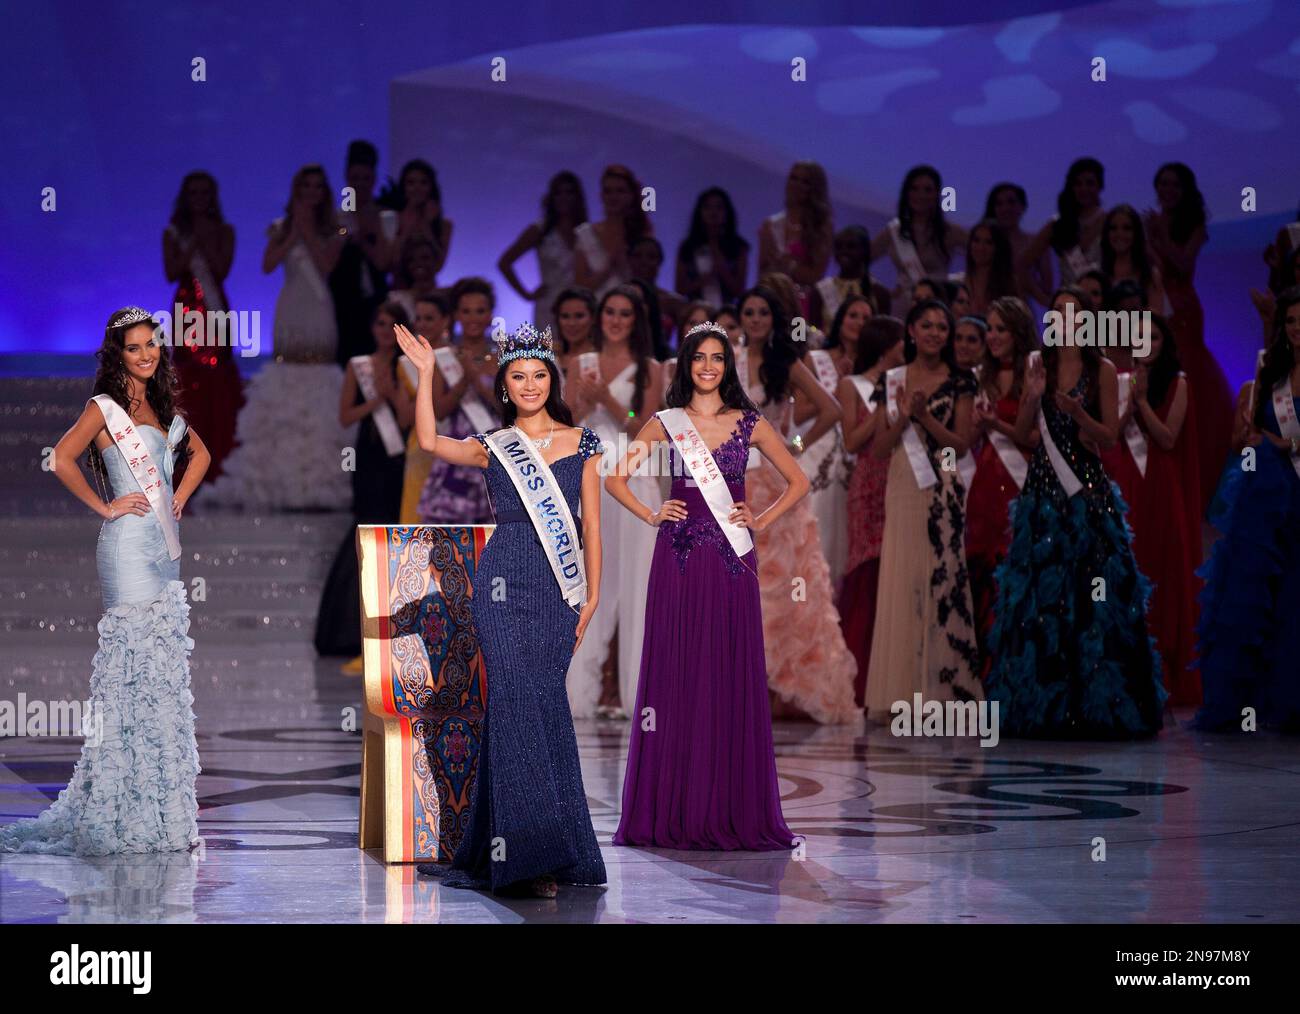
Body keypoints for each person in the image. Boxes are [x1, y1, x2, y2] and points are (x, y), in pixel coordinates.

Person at [397, 320, 606, 897]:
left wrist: (590, 596)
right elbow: (428, 443)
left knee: (542, 706)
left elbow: (592, 530)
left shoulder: (583, 442)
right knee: (514, 700)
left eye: (540, 375)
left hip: (558, 591)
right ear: (505, 386)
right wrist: (425, 375)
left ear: (551, 380)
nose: (531, 384)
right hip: (501, 587)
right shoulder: (494, 446)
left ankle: (551, 847)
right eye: (520, 376)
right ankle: (529, 857)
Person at [2, 307, 208, 854]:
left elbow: (201, 453)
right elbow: (63, 458)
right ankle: (120, 801)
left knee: (159, 675)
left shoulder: (163, 407)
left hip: (162, 551)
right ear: (117, 353)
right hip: (125, 549)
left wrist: (181, 493)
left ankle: (155, 803)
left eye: (152, 345)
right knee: (128, 674)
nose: (146, 355)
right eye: (134, 348)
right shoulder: (104, 409)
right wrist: (106, 506)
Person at [608, 322, 798, 850]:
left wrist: (760, 516)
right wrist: (652, 513)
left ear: (728, 365)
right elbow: (613, 477)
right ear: (686, 366)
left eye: (717, 358)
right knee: (679, 670)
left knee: (726, 667)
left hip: (733, 560)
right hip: (679, 557)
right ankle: (672, 808)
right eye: (699, 358)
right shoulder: (667, 423)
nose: (709, 367)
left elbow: (798, 480)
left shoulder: (749, 421)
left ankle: (728, 805)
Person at [985, 286, 1165, 738]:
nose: (1065, 320)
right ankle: (1038, 706)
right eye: (1058, 313)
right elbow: (1026, 435)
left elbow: (1107, 437)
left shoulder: (1101, 368)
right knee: (1038, 598)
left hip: (1086, 493)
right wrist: (1032, 400)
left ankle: (1097, 705)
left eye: (1075, 314)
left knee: (1094, 597)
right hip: (1042, 493)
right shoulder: (1036, 365)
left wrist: (1078, 415)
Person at [736, 286, 859, 723]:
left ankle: (781, 690)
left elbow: (830, 410)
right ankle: (740, 685)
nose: (754, 319)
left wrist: (793, 446)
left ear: (773, 319)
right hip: (727, 483)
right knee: (740, 583)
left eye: (762, 312)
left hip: (771, 484)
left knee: (784, 584)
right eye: (748, 312)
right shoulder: (723, 359)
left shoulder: (784, 363)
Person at [200, 164, 352, 510]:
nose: (311, 193)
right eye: (305, 187)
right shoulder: (281, 227)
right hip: (291, 306)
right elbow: (268, 265)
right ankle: (278, 476)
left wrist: (308, 230)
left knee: (318, 372)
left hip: (320, 306)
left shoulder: (336, 228)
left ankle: (319, 476)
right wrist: (290, 233)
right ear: (296, 192)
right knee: (289, 369)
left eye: (317, 187)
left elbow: (327, 267)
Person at [865, 299, 982, 716]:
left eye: (942, 327)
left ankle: (944, 694)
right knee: (903, 579)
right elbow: (879, 447)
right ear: (911, 331)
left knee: (942, 578)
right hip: (902, 484)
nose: (935, 333)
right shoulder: (891, 379)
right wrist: (903, 418)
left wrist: (924, 418)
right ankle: (898, 693)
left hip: (944, 485)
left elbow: (962, 443)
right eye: (926, 326)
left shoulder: (961, 379)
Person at [1193, 287, 1300, 732]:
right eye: (1291, 321)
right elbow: (1244, 438)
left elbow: (1281, 439)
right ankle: (1254, 701)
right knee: (1256, 596)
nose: (1297, 329)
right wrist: (1250, 439)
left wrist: (1282, 442)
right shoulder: (1269, 375)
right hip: (1264, 497)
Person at [564, 285, 663, 718]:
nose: (616, 320)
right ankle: (578, 694)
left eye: (625, 313)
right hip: (591, 473)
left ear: (635, 320)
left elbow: (644, 424)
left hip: (634, 475)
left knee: (638, 584)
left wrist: (608, 399)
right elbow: (568, 422)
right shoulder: (579, 363)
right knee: (590, 582)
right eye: (609, 312)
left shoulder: (651, 368)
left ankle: (637, 695)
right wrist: (587, 399)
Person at [315, 302, 413, 660]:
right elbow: (345, 416)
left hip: (399, 458)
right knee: (365, 529)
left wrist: (393, 393)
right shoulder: (359, 367)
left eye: (392, 325)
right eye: (380, 324)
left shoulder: (408, 366)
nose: (385, 331)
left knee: (393, 529)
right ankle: (345, 630)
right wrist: (377, 400)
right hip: (369, 455)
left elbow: (406, 420)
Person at [1145, 162, 1232, 511]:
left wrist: (1160, 237)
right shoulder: (1147, 223)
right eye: (1163, 183)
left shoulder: (1193, 226)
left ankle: (1196, 482)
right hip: (1154, 308)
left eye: (1175, 185)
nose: (1168, 190)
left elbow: (1182, 264)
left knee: (1189, 383)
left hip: (1182, 312)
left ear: (1185, 191)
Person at [1129, 314, 1201, 706]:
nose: (1147, 343)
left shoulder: (1179, 382)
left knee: (1165, 573)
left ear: (1164, 341)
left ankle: (1169, 675)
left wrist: (1141, 402)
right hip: (1135, 483)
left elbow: (1168, 438)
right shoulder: (1127, 379)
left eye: (1153, 336)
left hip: (1164, 485)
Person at [964, 297, 1038, 668]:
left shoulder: (1036, 371)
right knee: (984, 575)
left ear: (1019, 332)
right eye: (989, 329)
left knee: (1022, 571)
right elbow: (967, 440)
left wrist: (995, 425)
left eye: (1001, 329)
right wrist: (978, 427)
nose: (992, 336)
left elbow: (1036, 438)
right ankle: (988, 670)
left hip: (1024, 481)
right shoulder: (981, 377)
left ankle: (1020, 666)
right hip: (986, 486)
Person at [837, 315, 906, 706]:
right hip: (867, 485)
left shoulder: (907, 380)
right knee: (867, 572)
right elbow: (851, 440)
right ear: (885, 345)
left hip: (899, 478)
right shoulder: (852, 385)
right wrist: (880, 407)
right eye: (900, 340)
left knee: (893, 574)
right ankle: (860, 682)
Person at [162, 170, 241, 485]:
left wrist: (206, 239)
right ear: (185, 197)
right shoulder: (173, 233)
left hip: (213, 307)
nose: (198, 199)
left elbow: (222, 269)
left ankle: (218, 460)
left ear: (212, 197)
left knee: (217, 375)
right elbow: (171, 272)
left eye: (204, 193)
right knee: (186, 375)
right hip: (186, 308)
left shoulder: (225, 231)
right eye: (193, 193)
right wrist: (191, 240)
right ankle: (183, 463)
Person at [416, 277, 499, 524]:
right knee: (449, 544)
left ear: (490, 314)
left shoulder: (503, 356)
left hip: (494, 453)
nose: (473, 318)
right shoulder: (443, 357)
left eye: (480, 311)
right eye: (466, 311)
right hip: (455, 454)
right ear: (456, 315)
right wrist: (464, 380)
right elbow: (439, 410)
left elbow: (508, 408)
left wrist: (474, 378)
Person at [330, 140, 397, 365]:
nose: (360, 185)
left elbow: (383, 263)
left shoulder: (385, 218)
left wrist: (367, 233)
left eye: (366, 179)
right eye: (355, 178)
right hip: (341, 306)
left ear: (374, 180)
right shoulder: (336, 218)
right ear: (346, 178)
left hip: (375, 305)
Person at [871, 165, 968, 318]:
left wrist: (958, 285)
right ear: (906, 192)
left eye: (927, 190)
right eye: (914, 188)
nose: (920, 195)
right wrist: (882, 291)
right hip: (902, 308)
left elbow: (983, 256)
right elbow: (861, 261)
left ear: (937, 194)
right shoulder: (893, 232)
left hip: (938, 308)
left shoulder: (950, 232)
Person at [497, 171, 587, 333]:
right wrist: (527, 294)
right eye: (558, 193)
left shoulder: (587, 231)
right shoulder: (541, 230)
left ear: (577, 197)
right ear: (551, 198)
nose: (564, 197)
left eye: (569, 192)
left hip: (581, 305)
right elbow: (505, 263)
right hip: (549, 306)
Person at [758, 161, 834, 320]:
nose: (797, 184)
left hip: (803, 307)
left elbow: (816, 276)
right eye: (794, 178)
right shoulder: (771, 225)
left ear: (814, 188)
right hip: (771, 301)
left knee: (797, 341)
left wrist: (787, 265)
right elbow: (762, 274)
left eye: (805, 181)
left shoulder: (822, 228)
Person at [398, 293, 450, 523]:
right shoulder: (405, 364)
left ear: (445, 320)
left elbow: (442, 408)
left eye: (429, 318)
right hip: (420, 448)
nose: (422, 324)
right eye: (418, 318)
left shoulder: (457, 360)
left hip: (455, 445)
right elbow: (403, 417)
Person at [1021, 157, 1106, 289]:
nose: (1084, 188)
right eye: (1078, 184)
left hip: (1104, 304)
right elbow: (1022, 264)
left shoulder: (1111, 221)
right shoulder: (1059, 224)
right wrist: (1044, 299)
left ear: (1100, 186)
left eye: (1090, 183)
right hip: (1069, 303)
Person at [574, 164, 650, 299]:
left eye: (620, 191)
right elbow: (579, 287)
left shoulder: (642, 232)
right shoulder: (585, 234)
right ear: (601, 195)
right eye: (608, 191)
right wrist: (609, 267)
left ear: (632, 195)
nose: (613, 197)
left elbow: (647, 282)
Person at [675, 186, 749, 309]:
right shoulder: (688, 247)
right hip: (695, 313)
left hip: (727, 313)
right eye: (707, 207)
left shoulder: (738, 247)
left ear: (727, 213)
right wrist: (703, 280)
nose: (713, 213)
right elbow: (679, 290)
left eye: (719, 208)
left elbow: (739, 291)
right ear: (700, 212)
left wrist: (721, 267)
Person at [813, 225, 891, 330]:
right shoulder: (820, 290)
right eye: (839, 247)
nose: (844, 251)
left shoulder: (880, 293)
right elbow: (813, 329)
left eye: (851, 246)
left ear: (864, 251)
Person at [389, 159, 452, 287]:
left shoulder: (444, 225)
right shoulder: (392, 219)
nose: (417, 188)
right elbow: (392, 262)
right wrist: (407, 227)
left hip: (430, 294)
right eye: (411, 183)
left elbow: (438, 265)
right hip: (399, 291)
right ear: (404, 187)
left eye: (423, 182)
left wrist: (427, 226)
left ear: (431, 187)